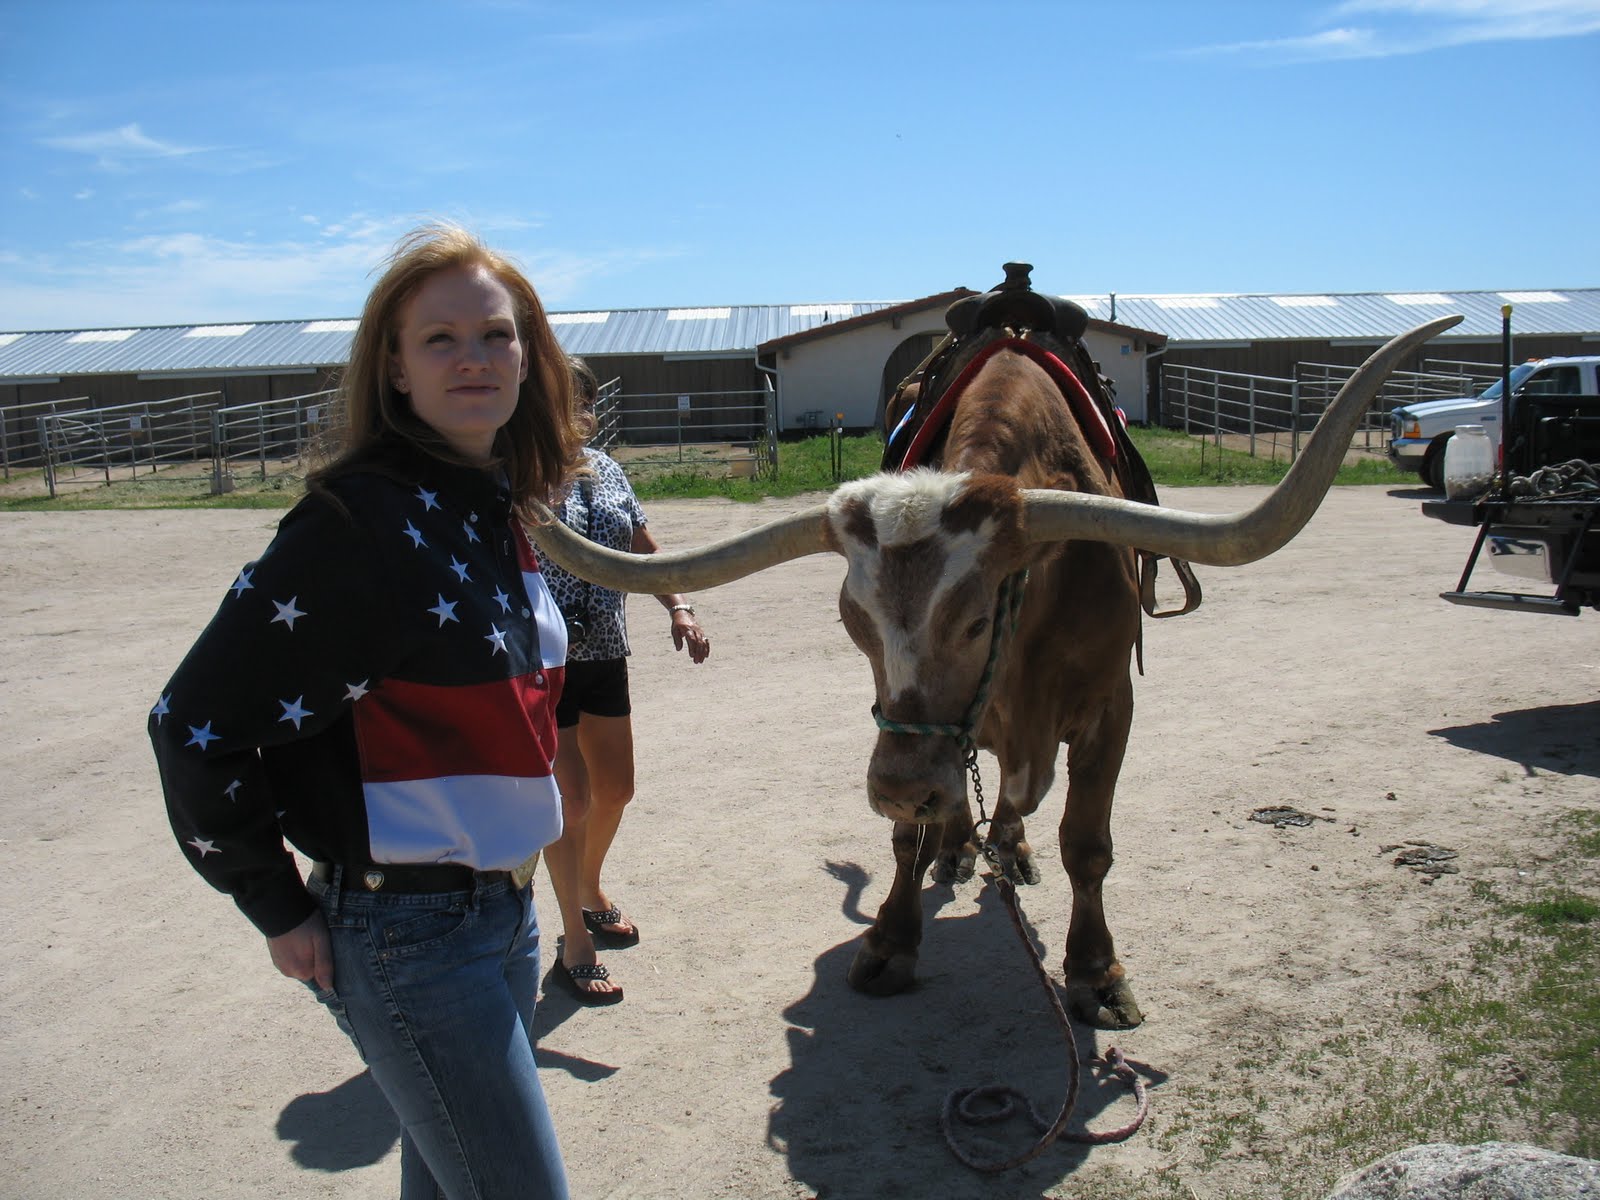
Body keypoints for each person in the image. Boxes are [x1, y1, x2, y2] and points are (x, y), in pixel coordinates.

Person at [149, 223, 583, 1199]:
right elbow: (194, 722)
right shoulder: (362, 521)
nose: (473, 357)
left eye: (496, 335)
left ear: (529, 355)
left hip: (501, 915)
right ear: (393, 368)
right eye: (439, 338)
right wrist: (272, 898)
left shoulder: (493, 503)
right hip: (408, 938)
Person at [535, 357, 711, 1003]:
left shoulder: (605, 467)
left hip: (604, 648)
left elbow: (642, 546)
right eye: (559, 398)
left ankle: (587, 885)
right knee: (571, 800)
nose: (576, 411)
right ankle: (572, 941)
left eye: (582, 399)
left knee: (616, 789)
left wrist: (680, 607)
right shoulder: (505, 471)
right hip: (540, 659)